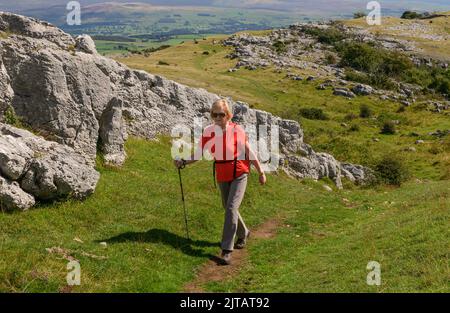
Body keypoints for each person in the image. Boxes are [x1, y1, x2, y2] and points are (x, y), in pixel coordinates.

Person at [174, 98, 266, 265]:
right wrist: (183, 161)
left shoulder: (237, 130)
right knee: (228, 207)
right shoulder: (208, 132)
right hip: (222, 174)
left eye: (221, 114)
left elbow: (249, 152)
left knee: (231, 207)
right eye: (214, 114)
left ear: (228, 115)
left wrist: (261, 172)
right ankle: (244, 232)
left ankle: (226, 249)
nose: (217, 118)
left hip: (240, 172)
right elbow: (198, 154)